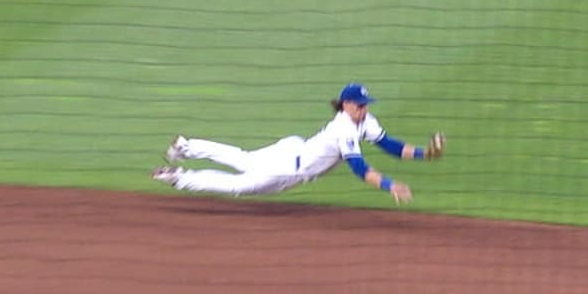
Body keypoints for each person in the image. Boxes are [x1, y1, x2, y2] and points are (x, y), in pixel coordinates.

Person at [151, 83, 444, 204]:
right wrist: (389, 185)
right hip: (289, 168)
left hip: (293, 150)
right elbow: (358, 167)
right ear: (345, 105)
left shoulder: (365, 122)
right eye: (359, 105)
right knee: (239, 185)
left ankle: (186, 147)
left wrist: (424, 153)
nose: (364, 109)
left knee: (243, 159)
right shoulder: (344, 128)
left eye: (365, 104)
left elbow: (389, 145)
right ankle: (179, 177)